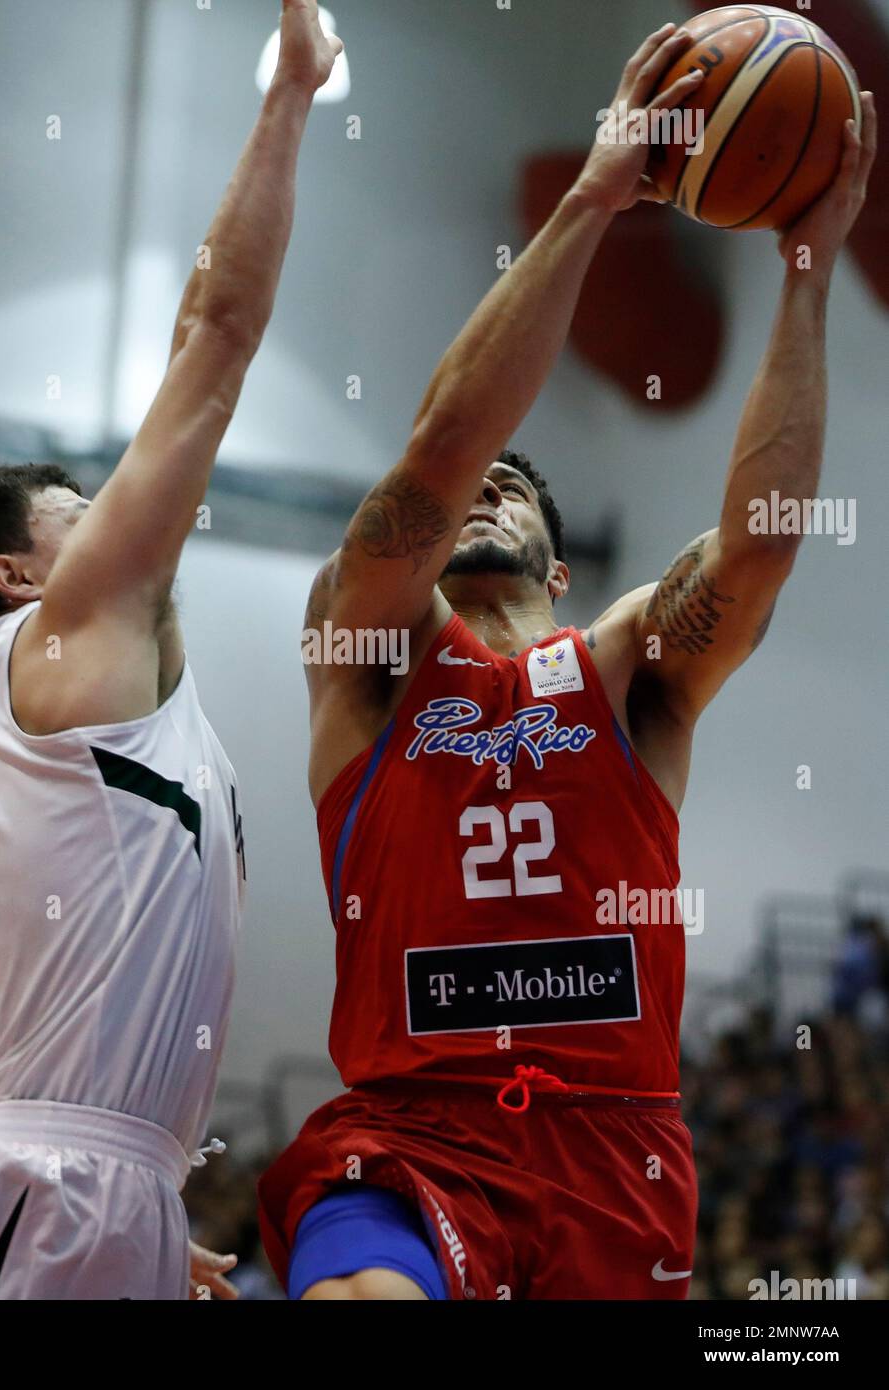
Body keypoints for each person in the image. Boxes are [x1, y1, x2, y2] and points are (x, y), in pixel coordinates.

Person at [259, 23, 877, 1299]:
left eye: (518, 489)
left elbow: (761, 547)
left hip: (616, 1149)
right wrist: (599, 194)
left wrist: (807, 274)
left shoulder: (629, 666)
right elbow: (441, 447)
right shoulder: (366, 648)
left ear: (565, 568)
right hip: (413, 1138)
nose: (484, 489)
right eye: (471, 489)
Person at [0, 0, 344, 1300]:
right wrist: (289, 98)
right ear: (16, 574)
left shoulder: (60, 715)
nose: (112, 507)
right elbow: (215, 339)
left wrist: (119, 1193)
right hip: (46, 1186)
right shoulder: (56, 638)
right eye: (77, 505)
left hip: (75, 1184)